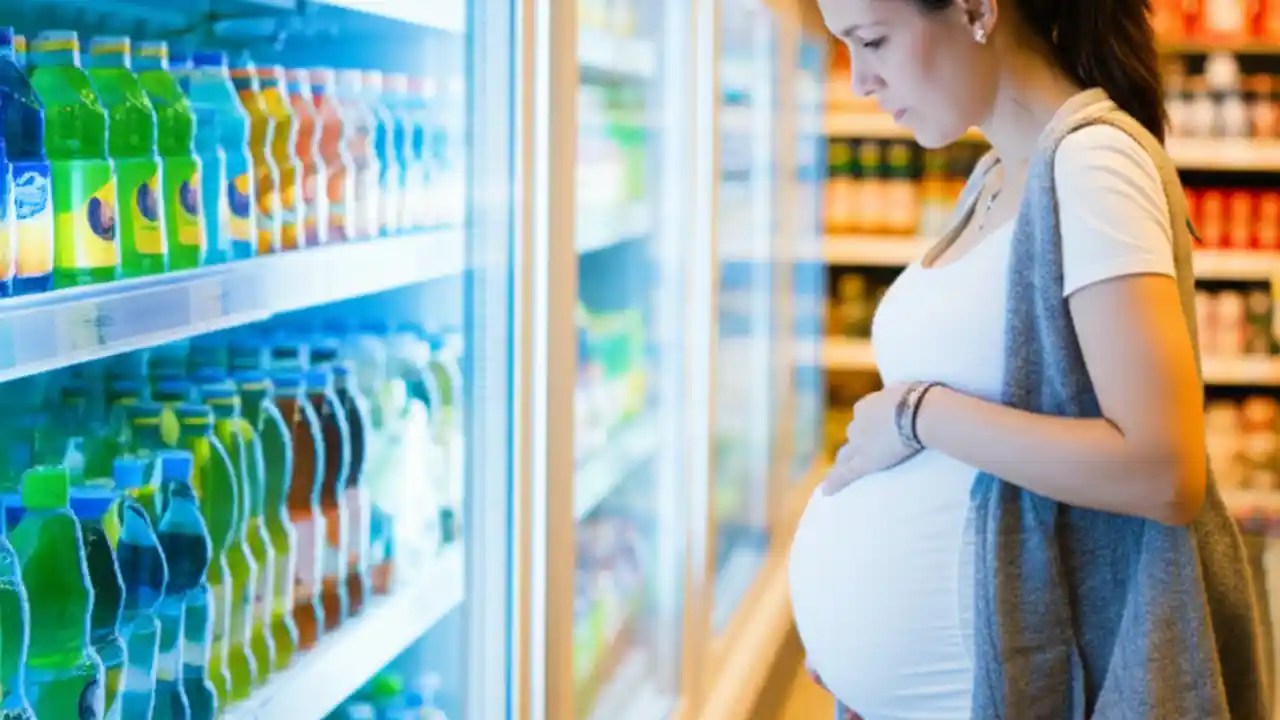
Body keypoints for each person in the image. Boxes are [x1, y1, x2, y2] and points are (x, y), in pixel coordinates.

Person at [787, 0, 1268, 718]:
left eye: (874, 41)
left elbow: (1164, 471)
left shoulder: (1093, 165)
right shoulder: (997, 172)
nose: (860, 80)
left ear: (978, 9)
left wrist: (921, 415)